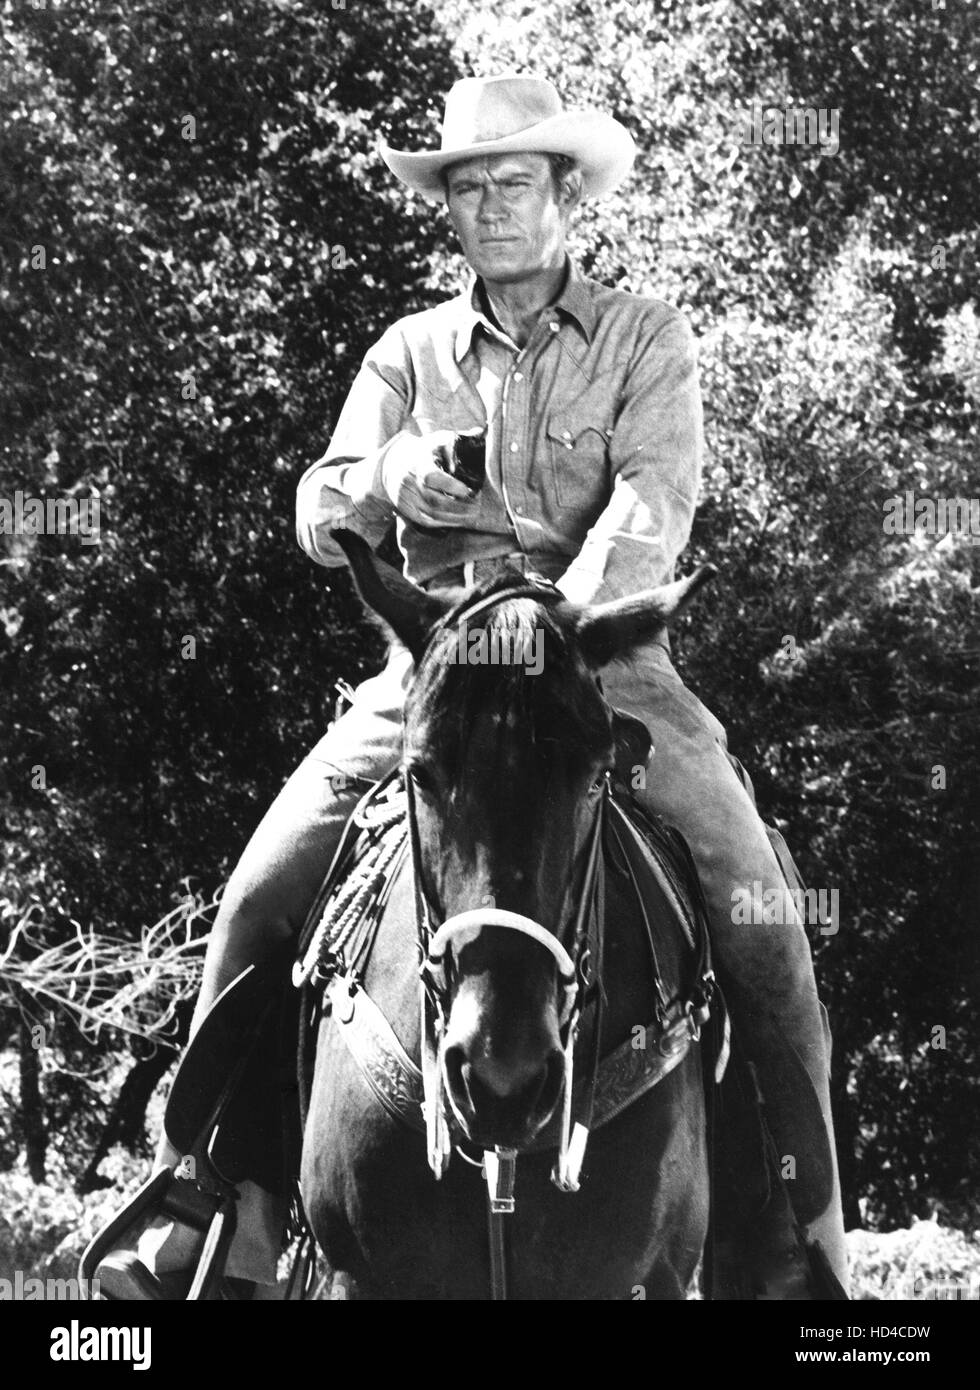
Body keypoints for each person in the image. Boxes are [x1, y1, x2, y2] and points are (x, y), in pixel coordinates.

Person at [95, 73, 848, 1300]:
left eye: (512, 181)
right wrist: (392, 476)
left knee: (761, 915)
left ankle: (798, 1239)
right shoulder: (405, 351)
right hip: (433, 669)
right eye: (466, 187)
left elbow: (658, 497)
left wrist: (552, 619)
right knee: (260, 891)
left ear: (564, 197)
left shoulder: (645, 337)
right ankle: (209, 1209)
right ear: (447, 210)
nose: (489, 204)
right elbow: (318, 500)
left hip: (603, 663)